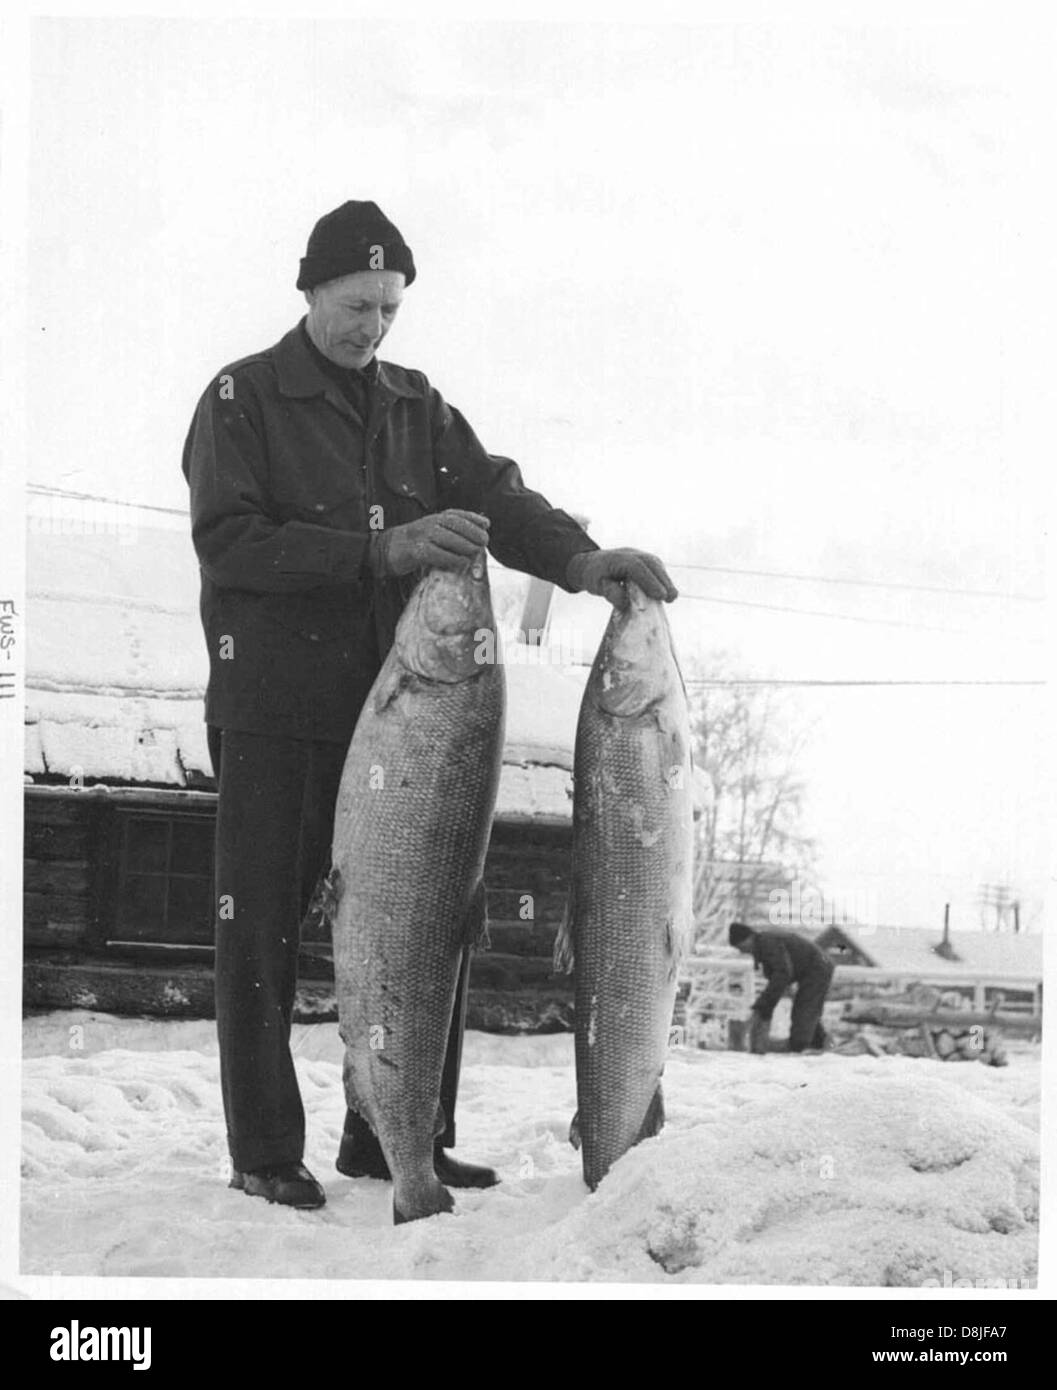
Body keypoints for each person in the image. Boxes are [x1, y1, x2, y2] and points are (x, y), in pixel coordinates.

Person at [182, 199, 678, 1209]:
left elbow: (497, 497)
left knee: (430, 909)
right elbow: (230, 543)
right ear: (310, 290)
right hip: (282, 710)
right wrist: (382, 550)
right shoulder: (242, 398)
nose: (371, 328)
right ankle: (266, 1149)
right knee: (262, 926)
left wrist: (582, 562)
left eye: (389, 310)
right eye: (356, 304)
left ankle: (397, 1134)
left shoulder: (417, 408)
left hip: (415, 728)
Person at [728, 921, 835, 1054]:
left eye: (740, 946)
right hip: (816, 966)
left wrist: (765, 1004)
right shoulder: (762, 946)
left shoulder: (767, 943)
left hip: (818, 967)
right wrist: (765, 1004)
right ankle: (818, 1042)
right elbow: (776, 979)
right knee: (806, 1007)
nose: (740, 950)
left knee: (805, 1007)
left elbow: (782, 973)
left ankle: (801, 1045)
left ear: (748, 938)